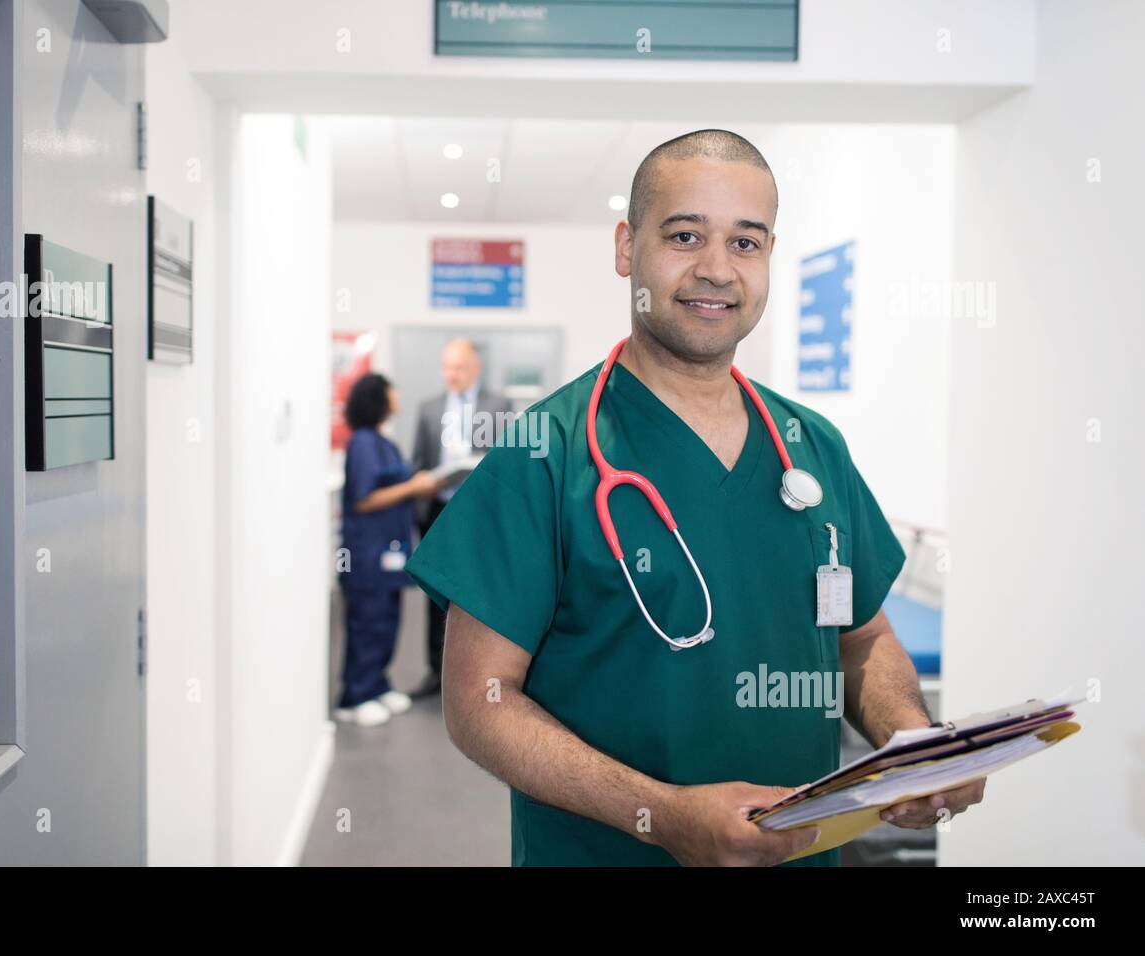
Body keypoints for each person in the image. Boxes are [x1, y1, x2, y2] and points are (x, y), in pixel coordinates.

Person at [405, 129, 986, 866]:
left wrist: (906, 739)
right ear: (627, 248)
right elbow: (478, 704)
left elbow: (862, 641)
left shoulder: (813, 446)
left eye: (746, 243)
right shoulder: (542, 454)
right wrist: (662, 815)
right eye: (685, 235)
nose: (716, 269)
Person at [409, 339, 512, 699]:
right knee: (434, 590)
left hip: (479, 513)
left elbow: (507, 460)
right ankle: (435, 671)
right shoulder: (428, 409)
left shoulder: (498, 405)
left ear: (476, 368)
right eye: (447, 367)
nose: (451, 374)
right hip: (438, 510)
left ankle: (477, 671)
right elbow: (419, 461)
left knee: (478, 592)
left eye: (459, 367)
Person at [335, 372, 440, 727]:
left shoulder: (383, 441)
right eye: (391, 389)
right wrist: (413, 487)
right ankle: (354, 695)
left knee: (386, 622)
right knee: (367, 622)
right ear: (379, 397)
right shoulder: (363, 443)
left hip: (390, 552)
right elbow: (364, 500)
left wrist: (418, 488)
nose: (397, 394)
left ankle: (377, 685)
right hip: (366, 553)